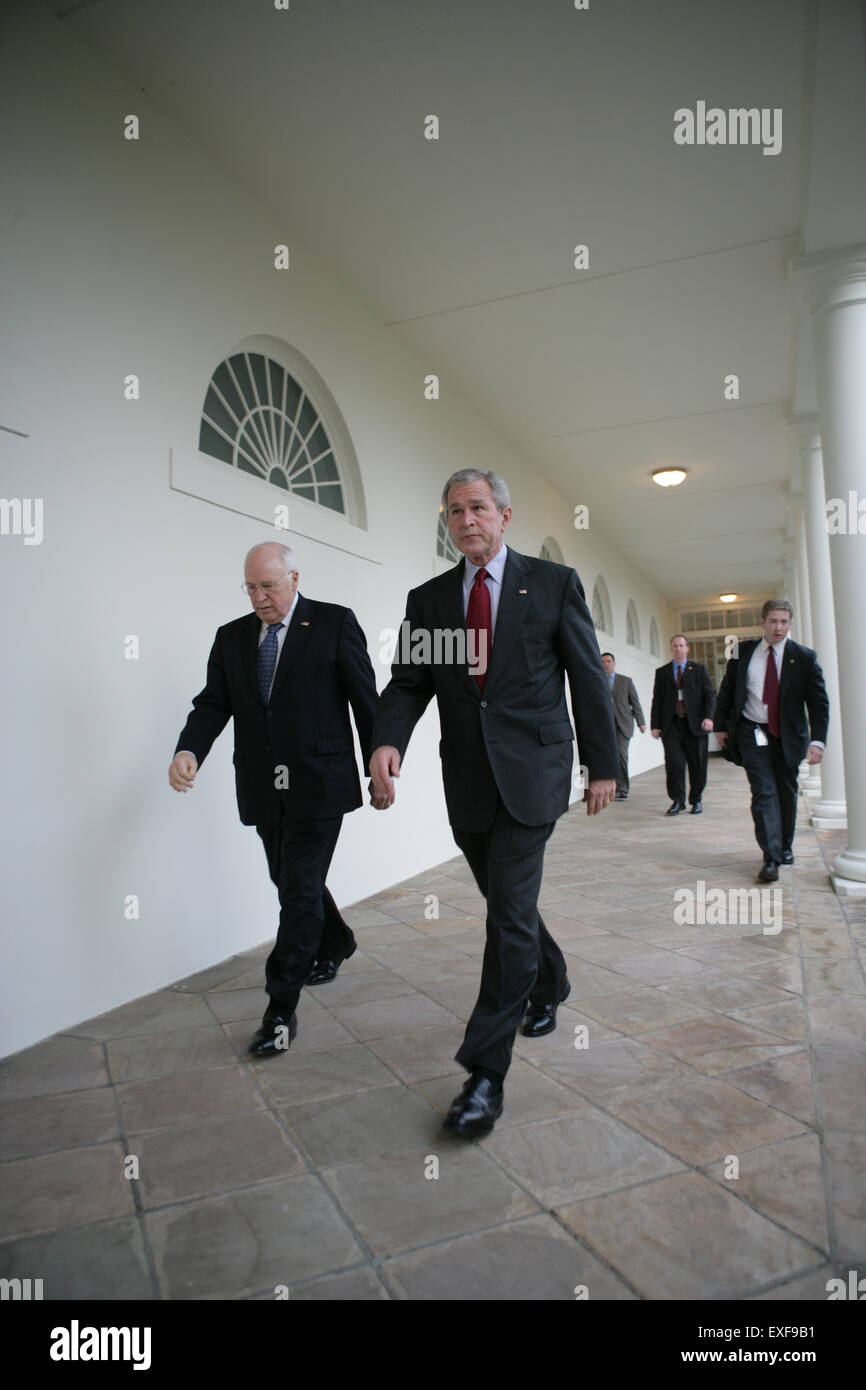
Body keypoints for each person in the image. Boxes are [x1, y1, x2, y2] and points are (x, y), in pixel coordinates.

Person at [368, 469, 618, 1138]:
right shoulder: (431, 600)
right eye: (455, 512)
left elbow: (588, 680)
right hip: (469, 782)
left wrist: (604, 765)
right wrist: (387, 742)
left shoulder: (552, 585)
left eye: (478, 507)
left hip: (534, 773)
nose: (467, 520)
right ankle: (551, 978)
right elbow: (409, 682)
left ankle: (485, 1074)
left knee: (506, 916)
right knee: (509, 905)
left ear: (504, 517)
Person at [168, 541, 378, 1056]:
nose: (260, 598)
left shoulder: (333, 623)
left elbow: (365, 700)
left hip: (320, 782)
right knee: (290, 881)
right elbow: (213, 703)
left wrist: (380, 762)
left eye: (269, 586)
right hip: (264, 785)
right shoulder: (231, 638)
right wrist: (189, 750)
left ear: (295, 579)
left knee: (297, 893)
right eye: (251, 588)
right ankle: (336, 942)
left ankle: (279, 1010)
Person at [714, 599, 828, 882]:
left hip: (789, 735)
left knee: (786, 793)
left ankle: (785, 846)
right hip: (754, 732)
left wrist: (818, 741)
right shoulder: (743, 651)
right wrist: (720, 725)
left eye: (784, 622)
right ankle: (771, 857)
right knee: (764, 791)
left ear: (790, 624)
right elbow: (728, 690)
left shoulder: (804, 657)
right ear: (763, 621)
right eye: (774, 621)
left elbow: (818, 704)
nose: (779, 627)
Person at [650, 635, 716, 815]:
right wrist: (655, 725)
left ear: (687, 648)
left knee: (698, 765)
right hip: (672, 725)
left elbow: (710, 695)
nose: (678, 649)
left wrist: (709, 717)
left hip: (695, 725)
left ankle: (696, 799)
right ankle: (677, 801)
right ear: (671, 649)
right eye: (675, 646)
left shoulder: (699, 670)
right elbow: (658, 700)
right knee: (674, 765)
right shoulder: (662, 672)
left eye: (681, 646)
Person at [601, 652, 646, 800]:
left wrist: (641, 722)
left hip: (623, 725)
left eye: (608, 661)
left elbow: (635, 703)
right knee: (609, 757)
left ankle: (623, 788)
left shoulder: (626, 681)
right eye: (603, 662)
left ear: (613, 663)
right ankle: (612, 787)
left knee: (621, 755)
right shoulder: (598, 681)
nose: (606, 664)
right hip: (605, 726)